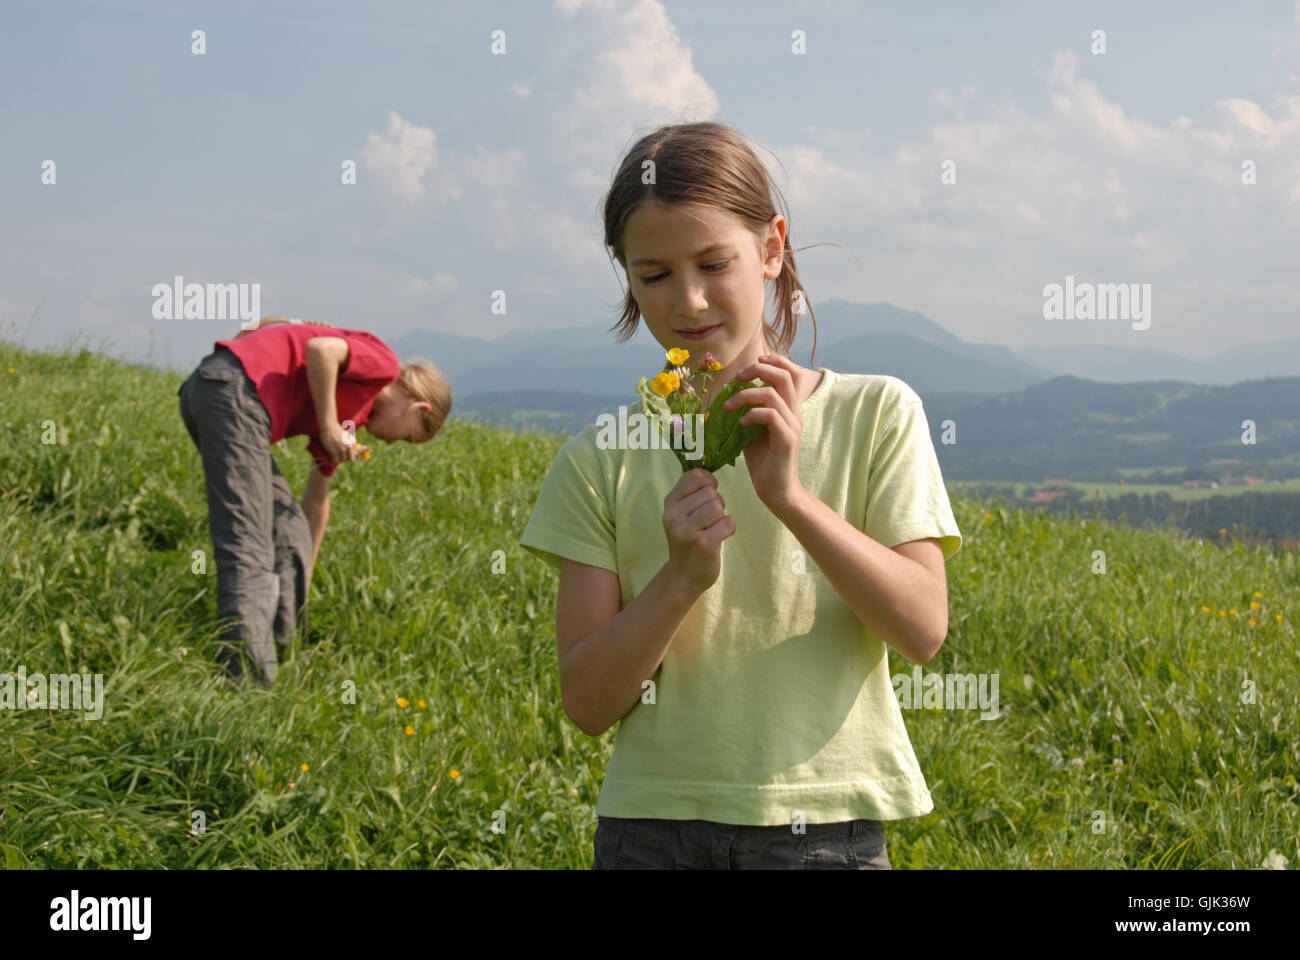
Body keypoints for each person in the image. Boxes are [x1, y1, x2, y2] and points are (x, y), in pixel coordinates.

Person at [519, 121, 963, 869]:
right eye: (654, 274)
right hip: (651, 830)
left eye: (713, 263)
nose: (688, 302)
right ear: (625, 275)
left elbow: (921, 629)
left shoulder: (877, 413)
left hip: (824, 829)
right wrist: (680, 579)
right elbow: (589, 705)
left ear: (771, 247)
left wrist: (790, 498)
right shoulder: (600, 457)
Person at [177, 317, 451, 687]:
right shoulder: (383, 365)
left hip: (218, 392)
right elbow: (320, 349)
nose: (390, 444)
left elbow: (316, 503)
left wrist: (306, 563)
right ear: (417, 409)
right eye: (405, 439)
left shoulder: (351, 418)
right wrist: (328, 425)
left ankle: (284, 650)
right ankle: (245, 687)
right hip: (232, 395)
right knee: (249, 547)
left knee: (289, 532)